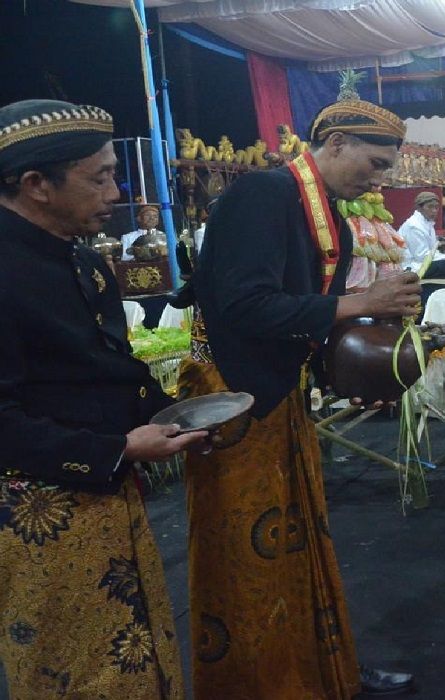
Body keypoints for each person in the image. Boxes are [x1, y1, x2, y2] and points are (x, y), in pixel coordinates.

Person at [181, 97, 423, 698]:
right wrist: (363, 305)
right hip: (229, 401)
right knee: (247, 556)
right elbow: (241, 306)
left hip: (276, 396)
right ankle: (260, 683)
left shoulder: (333, 218)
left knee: (298, 537)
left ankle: (318, 666)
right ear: (335, 142)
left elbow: (307, 321)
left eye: (386, 168)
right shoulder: (260, 195)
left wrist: (359, 363)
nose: (379, 179)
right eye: (373, 163)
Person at [0, 98, 208, 698]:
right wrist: (114, 448)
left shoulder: (86, 264)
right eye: (100, 178)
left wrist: (172, 417)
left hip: (108, 497)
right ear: (36, 184)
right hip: (34, 518)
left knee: (137, 653)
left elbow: (109, 368)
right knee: (71, 672)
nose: (116, 192)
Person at [398, 190, 445, 278]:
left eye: (436, 207)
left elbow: (432, 252)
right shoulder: (413, 226)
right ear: (419, 208)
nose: (434, 211)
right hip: (414, 267)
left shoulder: (427, 223)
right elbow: (422, 257)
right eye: (430, 207)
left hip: (424, 262)